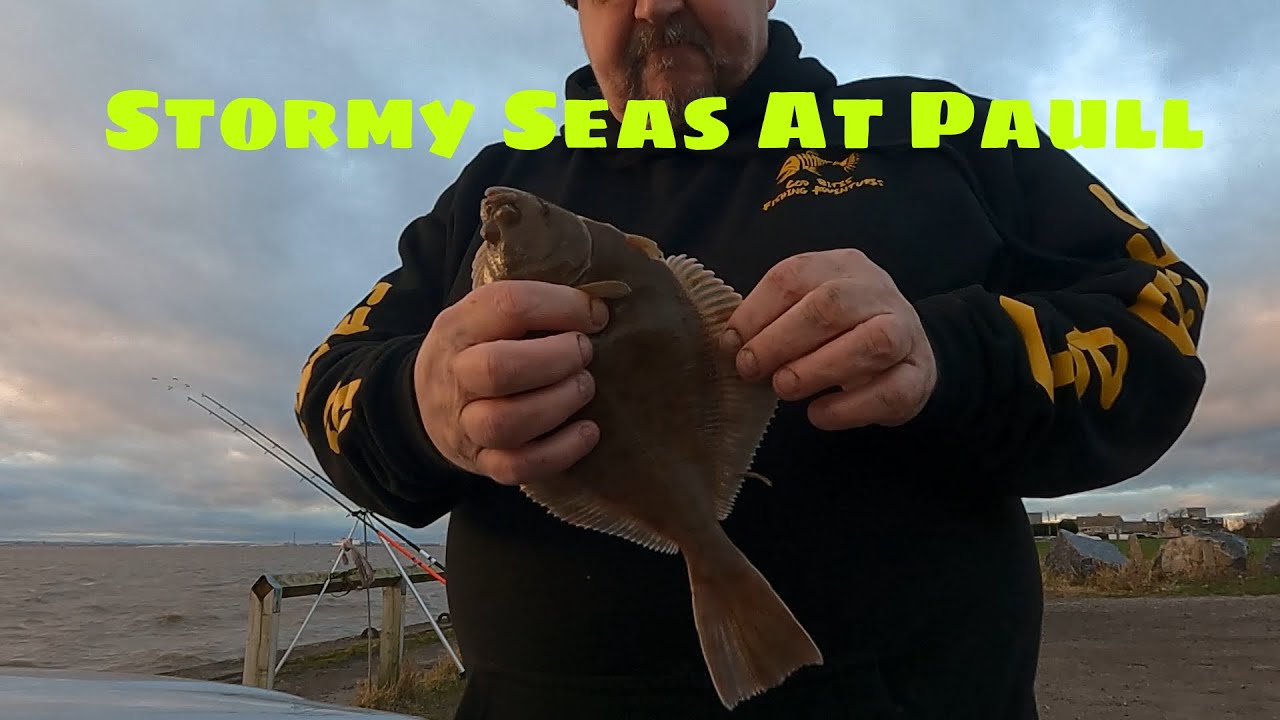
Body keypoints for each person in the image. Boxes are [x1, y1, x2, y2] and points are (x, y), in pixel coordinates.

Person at [294, 1, 1209, 718]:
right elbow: (328, 380)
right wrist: (422, 401)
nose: (654, 5)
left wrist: (952, 350)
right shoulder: (499, 187)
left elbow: (1160, 306)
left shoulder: (941, 132)